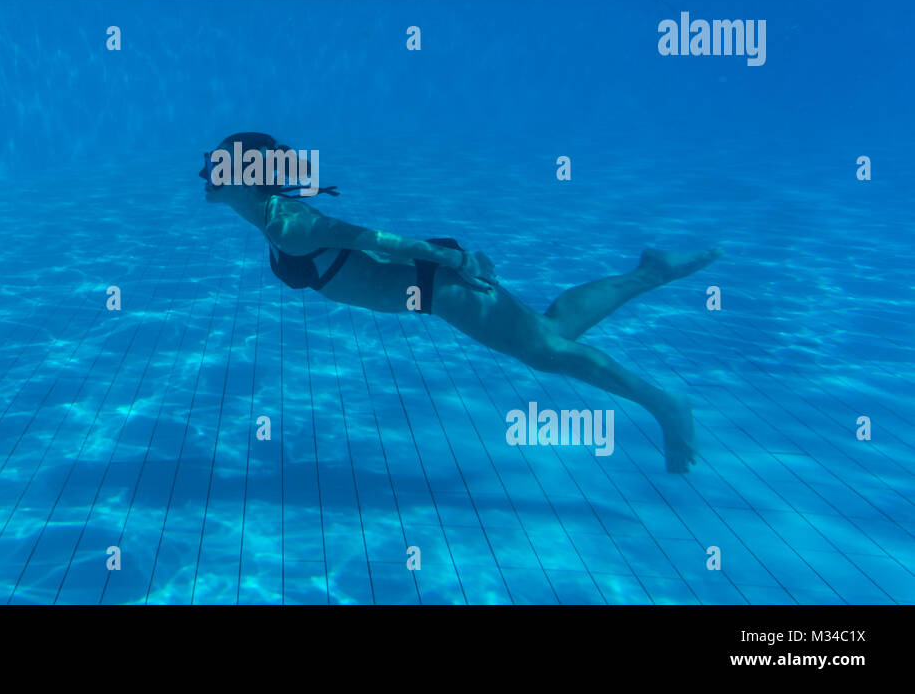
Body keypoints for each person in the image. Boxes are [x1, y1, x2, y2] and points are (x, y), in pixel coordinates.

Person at [200, 132, 721, 473]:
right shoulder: (272, 221)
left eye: (215, 165)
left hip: (437, 286)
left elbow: (375, 239)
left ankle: (665, 404)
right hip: (430, 284)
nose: (205, 173)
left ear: (242, 175)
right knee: (550, 334)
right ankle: (651, 271)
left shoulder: (289, 225)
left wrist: (457, 260)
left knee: (547, 350)